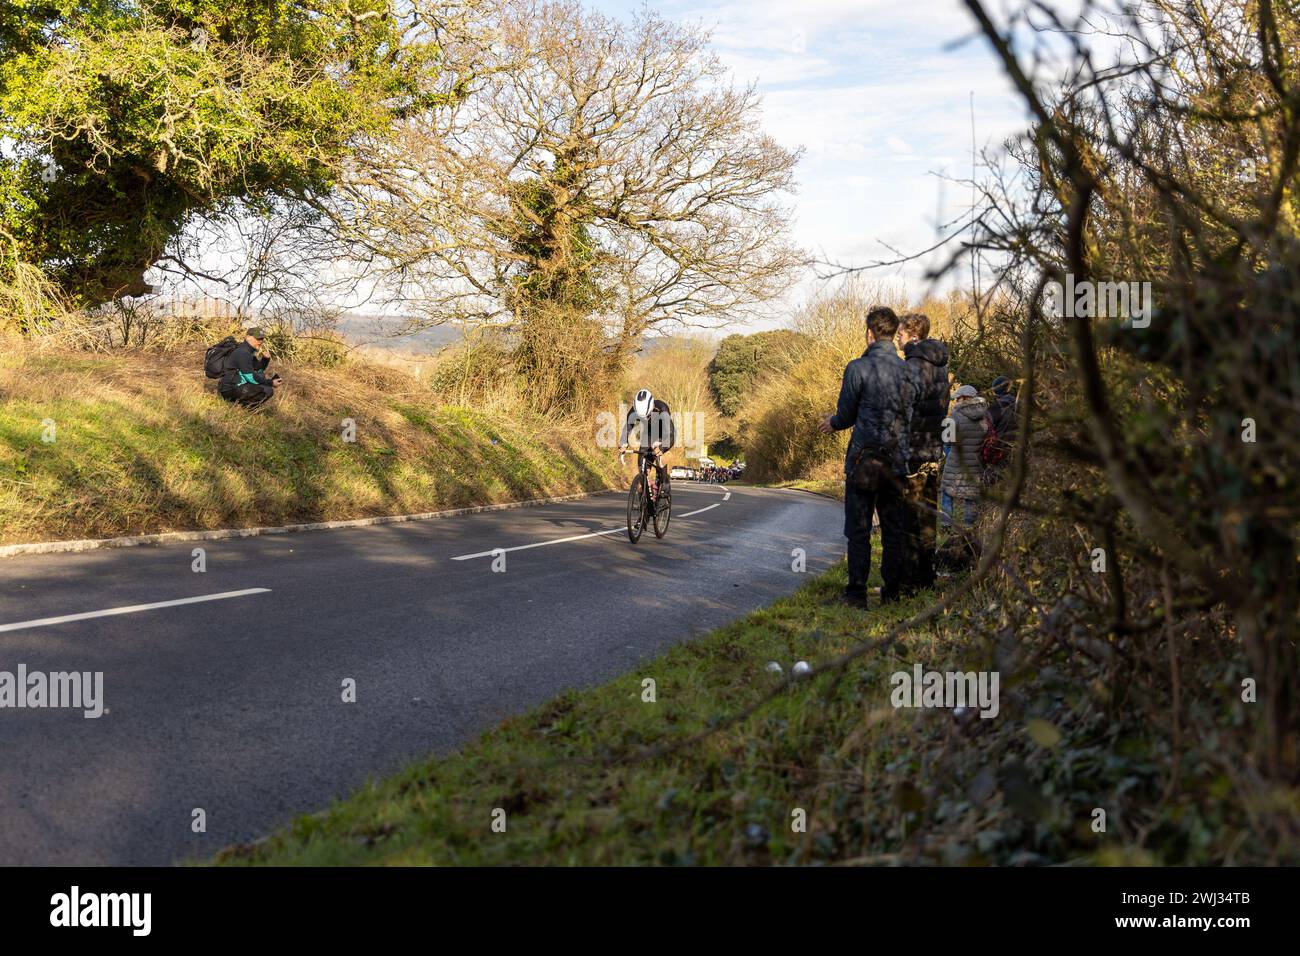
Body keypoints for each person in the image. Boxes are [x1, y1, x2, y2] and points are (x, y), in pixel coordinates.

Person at [819, 306, 917, 608]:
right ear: (894, 333)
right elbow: (909, 415)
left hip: (863, 459)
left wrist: (832, 422)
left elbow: (846, 414)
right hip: (897, 460)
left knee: (859, 529)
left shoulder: (857, 368)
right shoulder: (908, 371)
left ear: (869, 333)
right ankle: (892, 593)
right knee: (893, 529)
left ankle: (856, 595)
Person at [897, 312, 949, 593]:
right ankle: (927, 576)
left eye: (901, 334)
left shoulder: (914, 365)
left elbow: (904, 408)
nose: (898, 338)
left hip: (914, 450)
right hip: (934, 449)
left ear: (914, 336)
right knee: (929, 515)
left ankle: (909, 580)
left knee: (910, 515)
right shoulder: (940, 365)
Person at [940, 384, 989, 530]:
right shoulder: (985, 415)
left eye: (958, 398)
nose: (956, 402)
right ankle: (969, 526)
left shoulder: (955, 416)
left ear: (964, 398)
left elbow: (947, 440)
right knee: (971, 495)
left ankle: (946, 524)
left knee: (947, 492)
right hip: (975, 462)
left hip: (956, 460)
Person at [619, 388, 675, 492]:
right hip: (648, 434)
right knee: (642, 465)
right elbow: (627, 427)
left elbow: (671, 435)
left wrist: (661, 448)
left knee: (660, 458)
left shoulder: (662, 408)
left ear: (652, 406)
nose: (645, 418)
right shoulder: (634, 410)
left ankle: (664, 482)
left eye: (647, 415)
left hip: (663, 434)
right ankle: (645, 494)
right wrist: (623, 443)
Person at [218, 328, 280, 409]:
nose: (261, 341)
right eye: (258, 338)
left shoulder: (248, 352)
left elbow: (258, 370)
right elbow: (251, 377)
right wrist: (271, 383)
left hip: (232, 386)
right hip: (230, 388)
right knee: (268, 390)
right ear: (248, 337)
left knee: (260, 376)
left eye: (262, 339)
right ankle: (244, 409)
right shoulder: (243, 353)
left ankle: (241, 405)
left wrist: (265, 359)